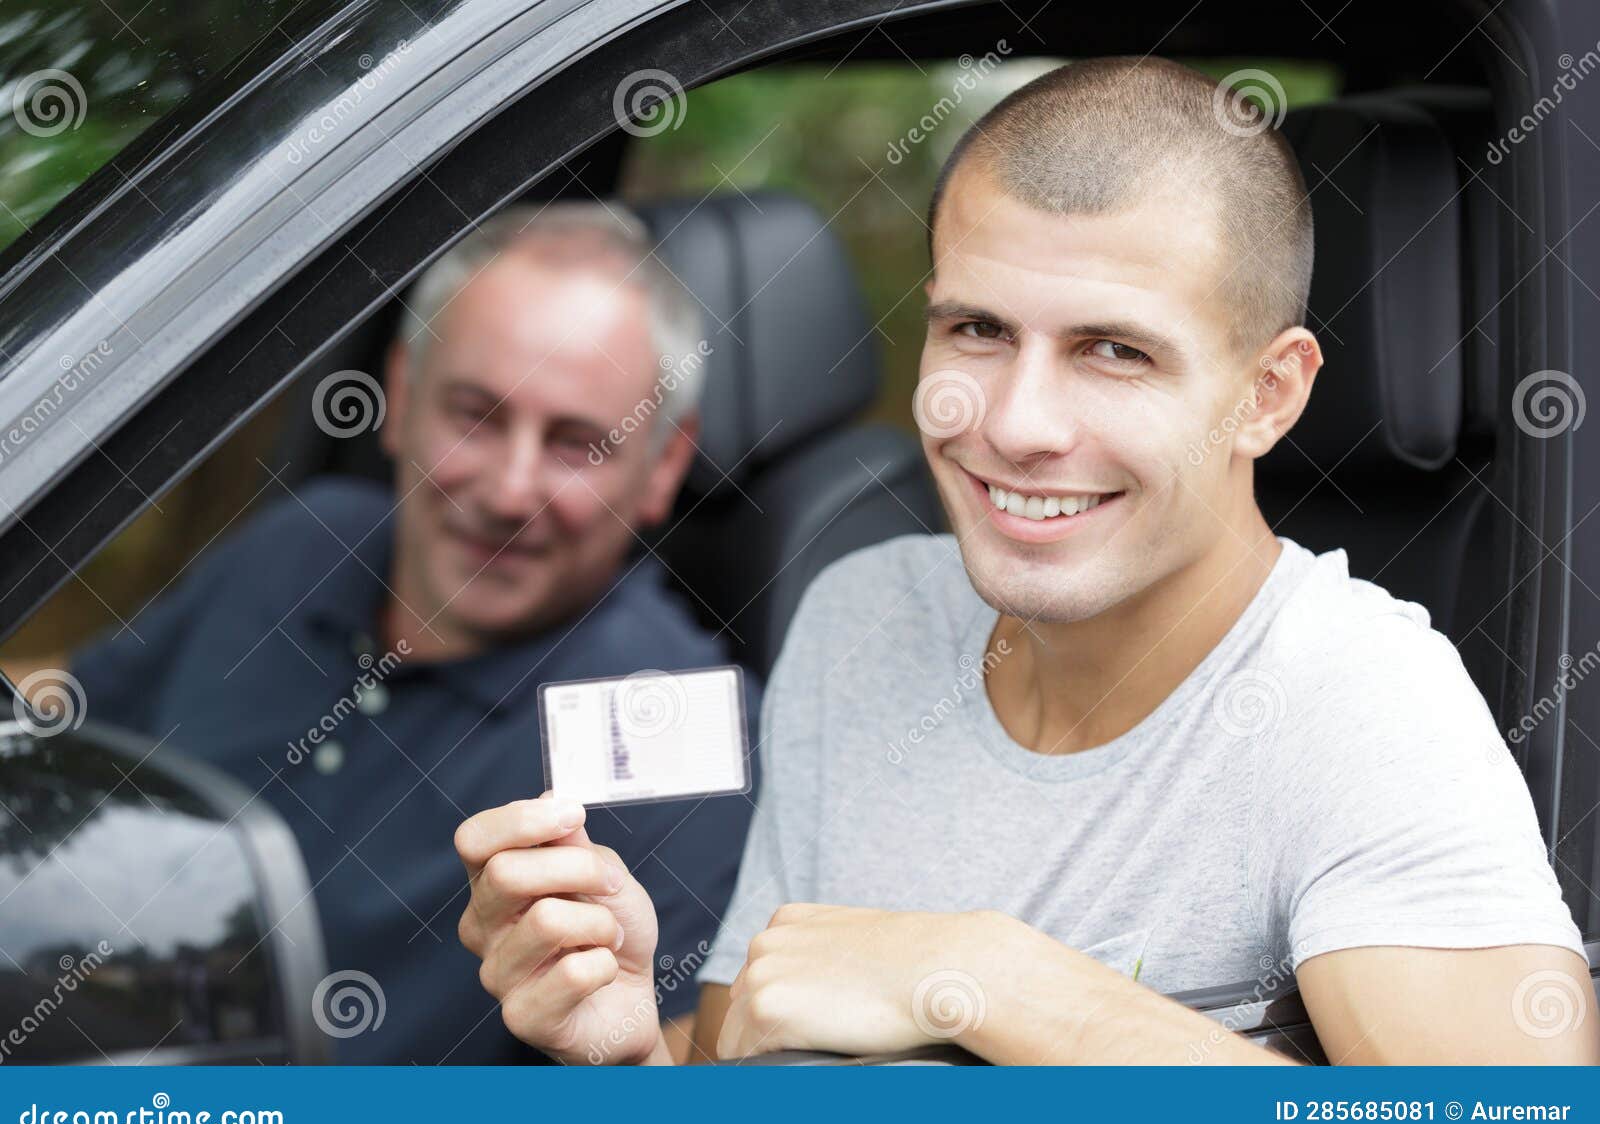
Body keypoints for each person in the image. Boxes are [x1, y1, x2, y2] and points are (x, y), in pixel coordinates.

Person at [454, 59, 1598, 1065]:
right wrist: (625, 1057)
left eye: (1113, 350)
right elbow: (754, 1088)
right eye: (978, 331)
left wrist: (998, 981)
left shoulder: (1360, 699)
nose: (1016, 423)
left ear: (1267, 394)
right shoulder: (865, 614)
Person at [6, 202, 758, 1064]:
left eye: (575, 444)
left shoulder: (680, 734)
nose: (511, 490)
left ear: (663, 464)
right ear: (399, 399)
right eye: (475, 415)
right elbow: (58, 714)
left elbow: (669, 1084)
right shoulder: (304, 541)